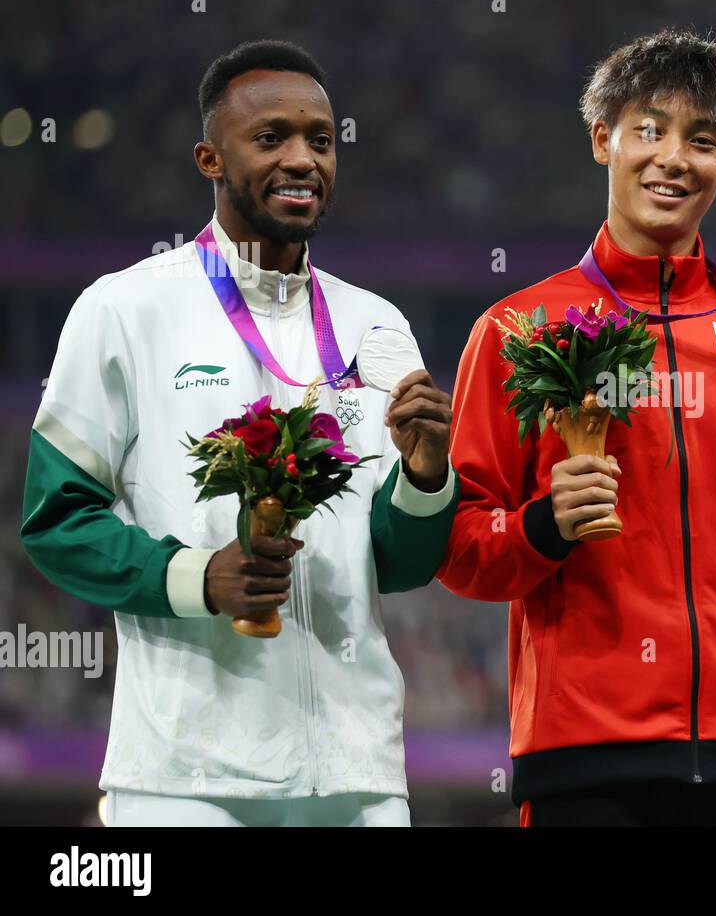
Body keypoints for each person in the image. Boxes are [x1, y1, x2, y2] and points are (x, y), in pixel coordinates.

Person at [20, 40, 458, 827]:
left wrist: (426, 480)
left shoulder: (377, 325)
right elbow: (56, 522)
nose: (302, 159)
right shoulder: (124, 310)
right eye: (271, 139)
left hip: (359, 775)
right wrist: (196, 578)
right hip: (185, 778)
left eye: (320, 140)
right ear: (210, 159)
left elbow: (396, 564)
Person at [436, 29, 716, 826]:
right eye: (649, 130)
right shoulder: (518, 328)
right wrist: (542, 526)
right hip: (584, 762)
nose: (673, 158)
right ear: (603, 139)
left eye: (703, 140)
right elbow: (459, 548)